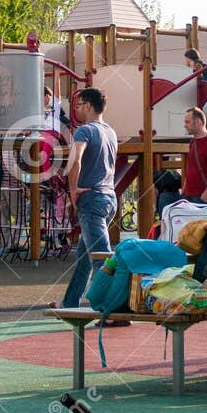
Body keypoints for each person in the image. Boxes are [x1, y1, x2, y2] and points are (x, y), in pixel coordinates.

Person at [60, 88, 118, 309]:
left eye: (78, 105)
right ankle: (69, 302)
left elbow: (76, 160)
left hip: (92, 198)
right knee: (84, 256)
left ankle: (111, 306)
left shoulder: (84, 131)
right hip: (109, 197)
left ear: (89, 106)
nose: (76, 110)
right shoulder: (111, 132)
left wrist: (73, 189)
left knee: (101, 257)